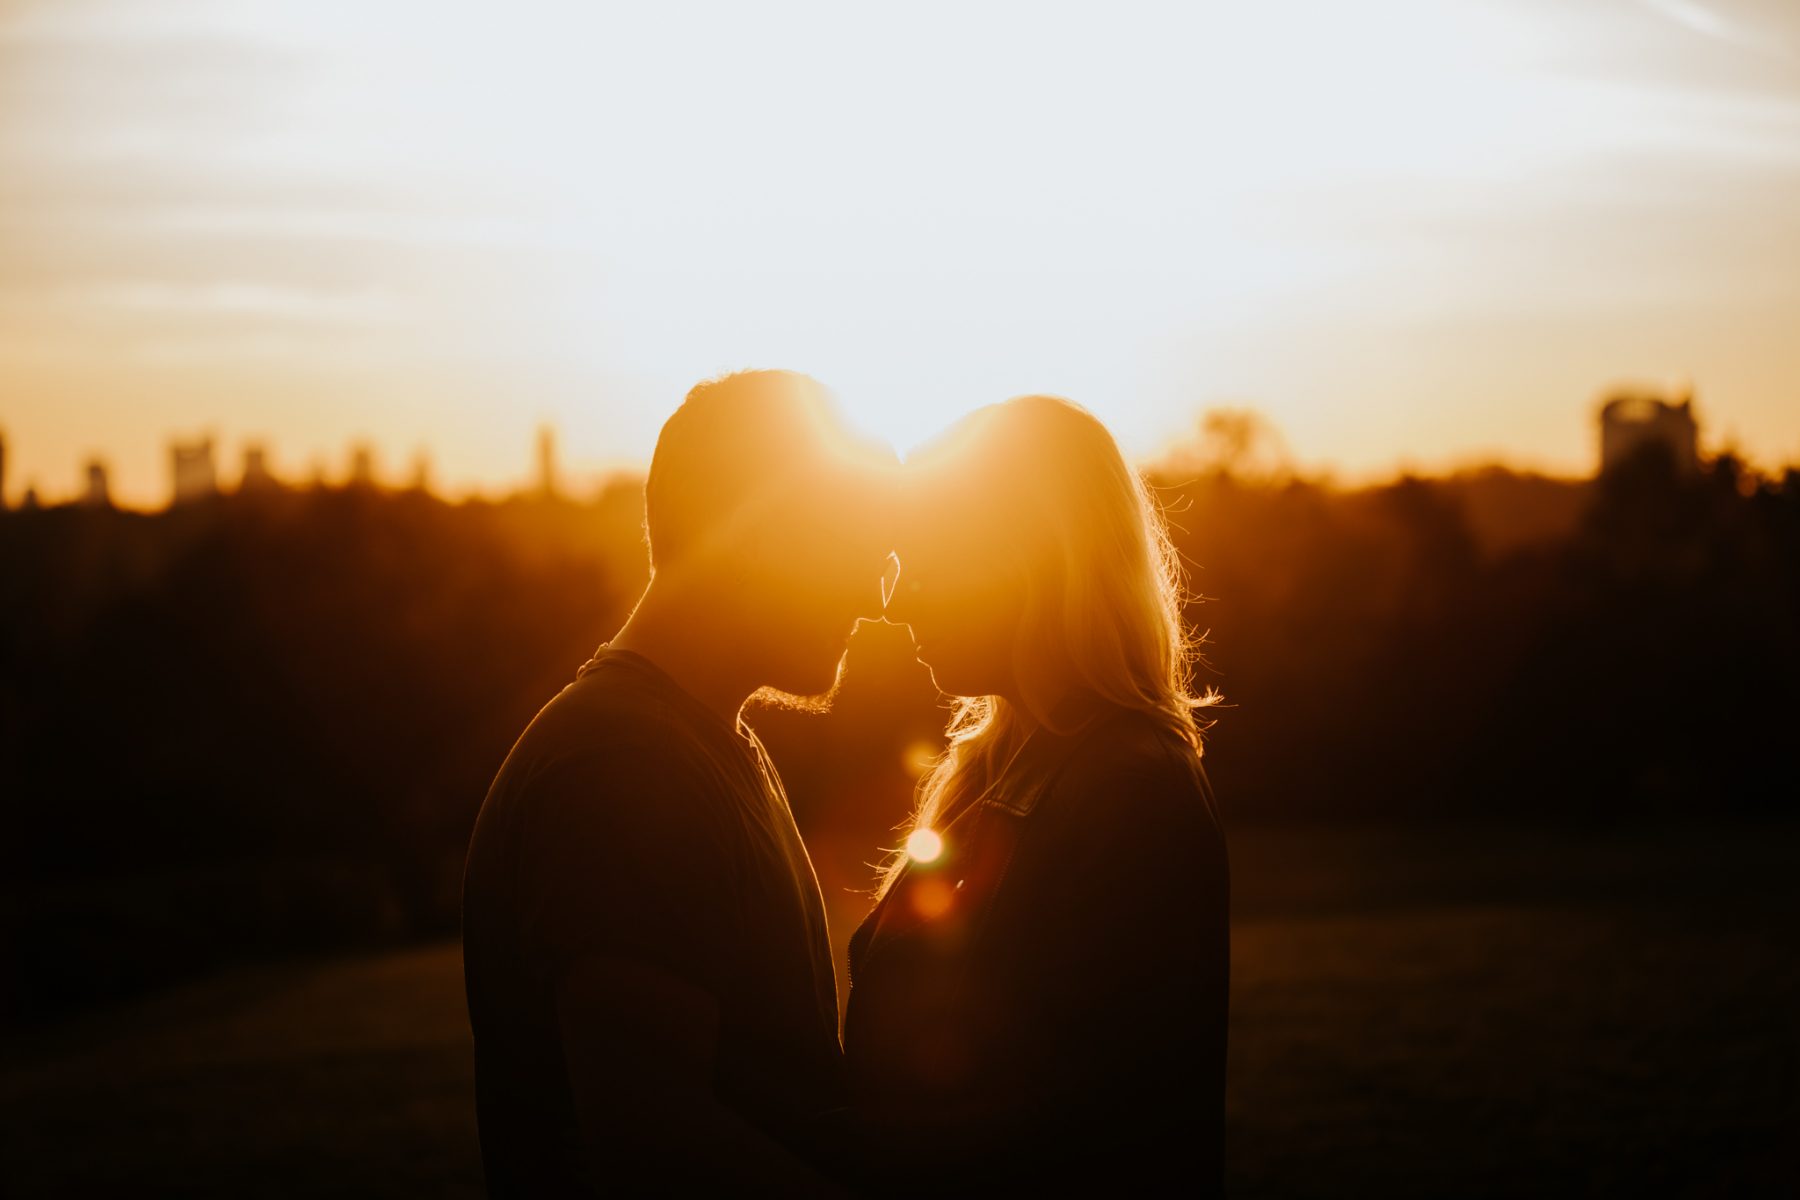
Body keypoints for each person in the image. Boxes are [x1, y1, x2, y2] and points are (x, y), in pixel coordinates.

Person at [461, 370, 895, 1195]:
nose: (877, 599)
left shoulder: (702, 742)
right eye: (856, 549)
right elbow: (657, 1147)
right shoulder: (620, 770)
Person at [844, 395, 1230, 1194]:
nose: (897, 600)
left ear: (1030, 556)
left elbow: (1084, 1126)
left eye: (925, 561)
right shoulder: (996, 763)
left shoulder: (1130, 790)